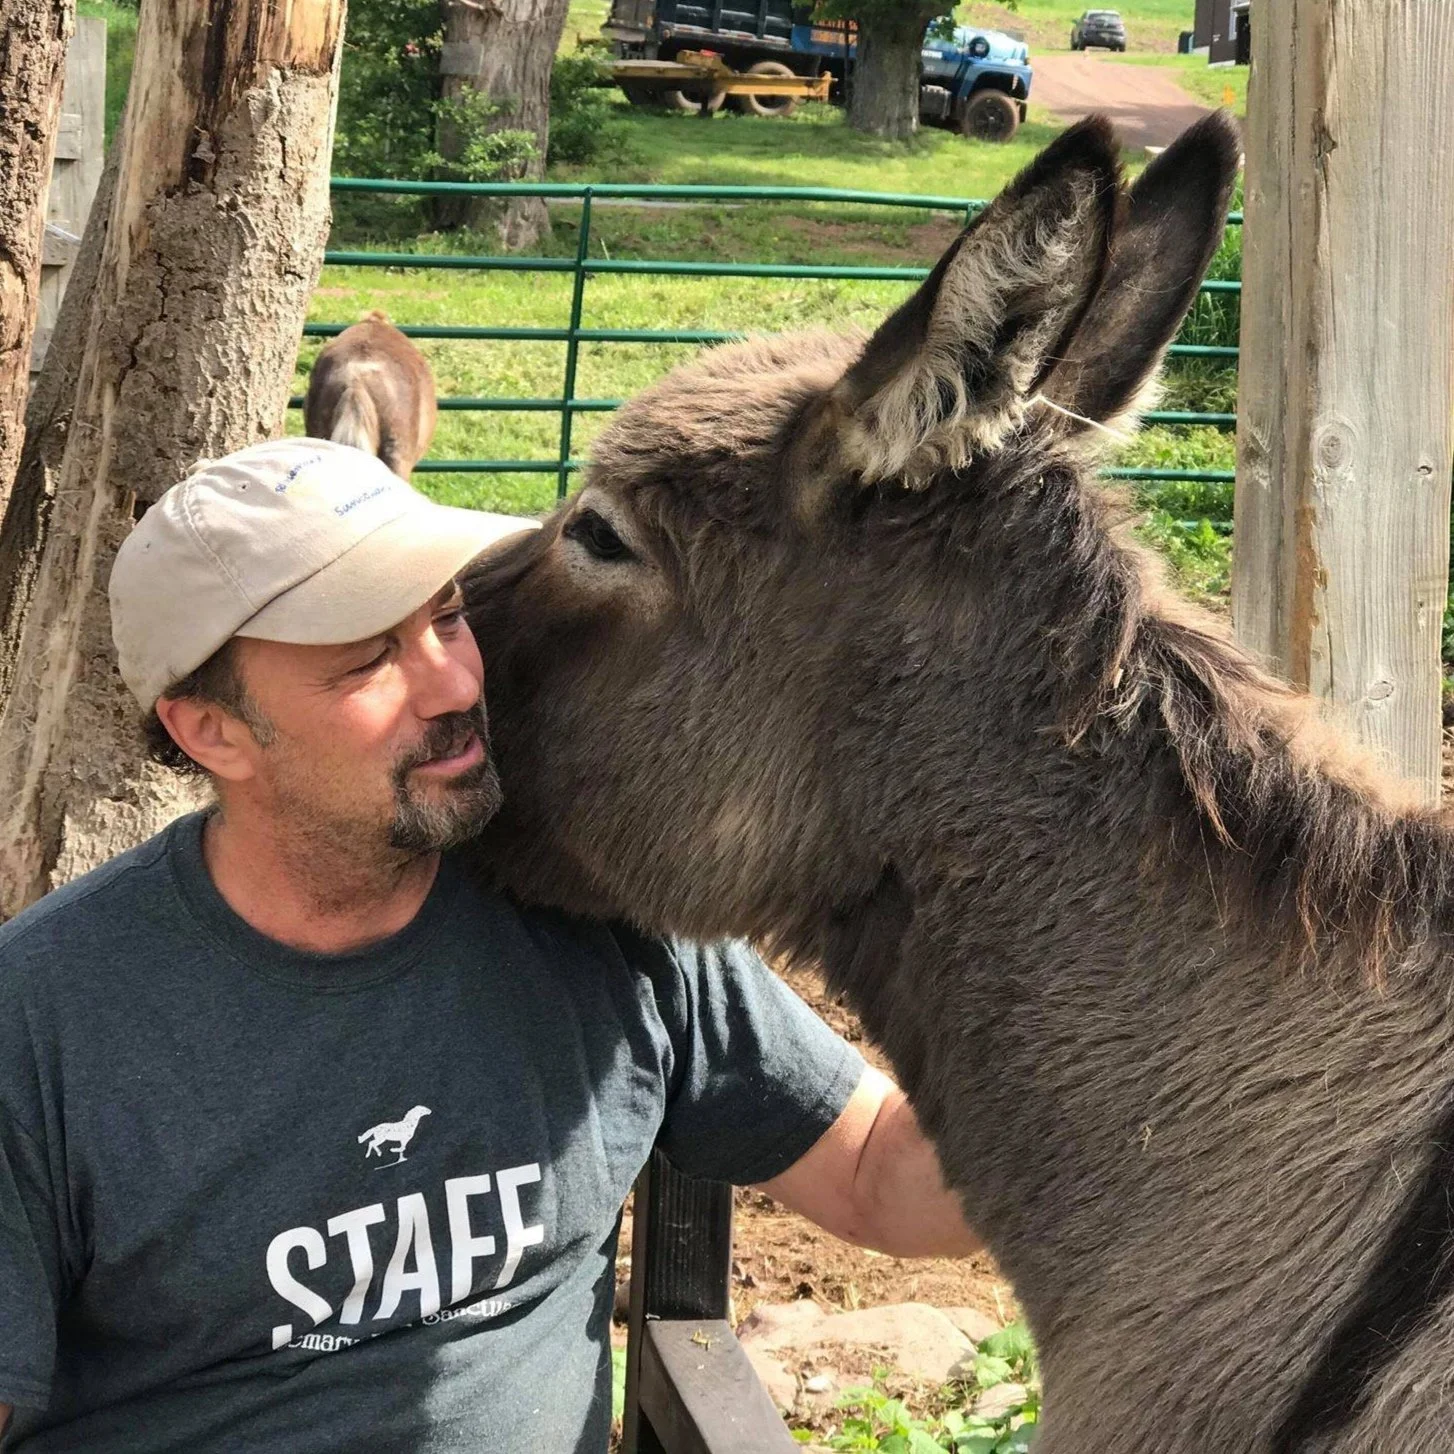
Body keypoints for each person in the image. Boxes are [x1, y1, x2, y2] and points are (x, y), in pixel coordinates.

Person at [0, 438, 977, 1452]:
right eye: (368, 659)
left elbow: (873, 1171)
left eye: (447, 615)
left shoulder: (598, 919)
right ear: (212, 732)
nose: (451, 681)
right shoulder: (44, 1022)